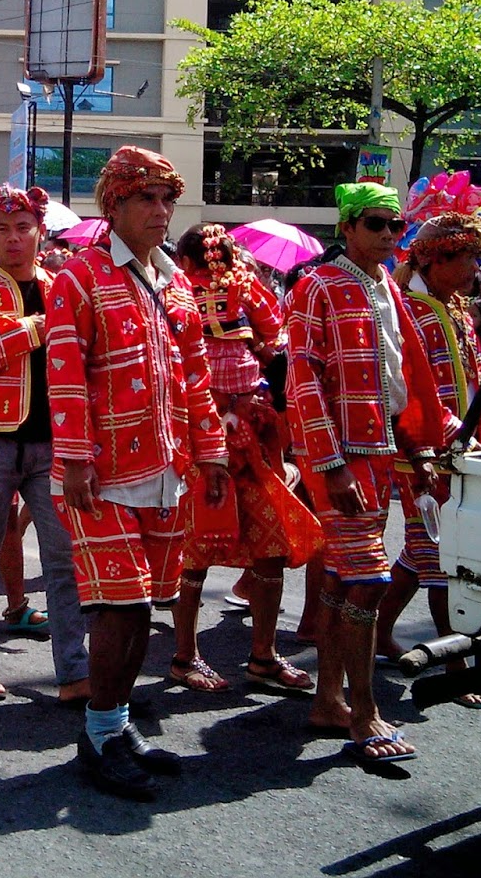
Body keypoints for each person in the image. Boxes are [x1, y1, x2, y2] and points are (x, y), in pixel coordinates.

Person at [46, 146, 228, 801]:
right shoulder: (80, 277)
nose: (161, 211)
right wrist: (72, 460)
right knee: (118, 612)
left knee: (144, 608)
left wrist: (210, 451)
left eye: (167, 199)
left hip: (165, 468)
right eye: (146, 199)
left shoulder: (177, 280)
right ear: (114, 206)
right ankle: (98, 737)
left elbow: (196, 375)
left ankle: (115, 727)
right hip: (99, 476)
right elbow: (63, 374)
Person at [285, 182, 447, 765]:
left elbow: (403, 381)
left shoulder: (386, 289)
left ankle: (328, 700)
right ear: (347, 228)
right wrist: (329, 465)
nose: (386, 235)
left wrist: (419, 450)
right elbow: (302, 379)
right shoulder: (317, 286)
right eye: (375, 223)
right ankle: (365, 713)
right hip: (340, 460)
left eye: (394, 226)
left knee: (339, 579)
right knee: (370, 579)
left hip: (380, 454)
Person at [0, 184, 89, 705]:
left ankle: (74, 669)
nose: (13, 238)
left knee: (63, 558)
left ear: (40, 232)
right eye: (2, 228)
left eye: (22, 227)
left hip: (53, 441)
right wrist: (30, 330)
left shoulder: (61, 285)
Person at [375, 213, 481, 706]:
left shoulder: (457, 307)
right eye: (464, 257)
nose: (474, 268)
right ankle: (457, 667)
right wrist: (458, 438)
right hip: (423, 452)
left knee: (421, 557)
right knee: (444, 559)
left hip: (455, 448)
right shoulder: (408, 310)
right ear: (430, 258)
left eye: (476, 257)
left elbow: (476, 382)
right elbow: (416, 394)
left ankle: (379, 634)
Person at [168, 224, 322, 696]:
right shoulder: (223, 289)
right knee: (208, 549)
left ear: (188, 261)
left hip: (228, 431)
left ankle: (251, 656)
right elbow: (275, 337)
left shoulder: (176, 291)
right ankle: (194, 656)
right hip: (213, 430)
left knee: (240, 547)